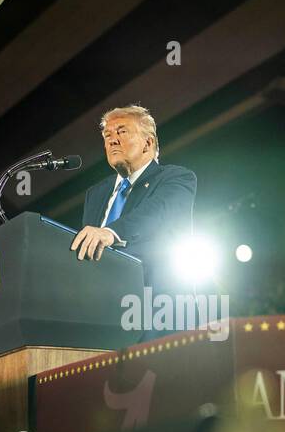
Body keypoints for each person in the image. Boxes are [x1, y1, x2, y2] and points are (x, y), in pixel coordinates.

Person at [70, 105, 197, 303]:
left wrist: (110, 233)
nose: (112, 140)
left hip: (156, 302)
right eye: (107, 135)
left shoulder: (176, 178)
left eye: (122, 131)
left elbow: (156, 213)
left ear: (148, 142)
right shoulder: (95, 194)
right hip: (100, 304)